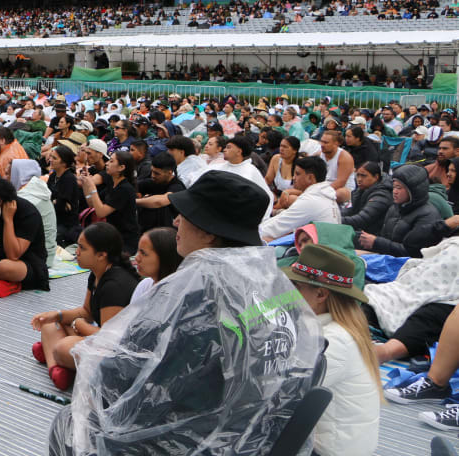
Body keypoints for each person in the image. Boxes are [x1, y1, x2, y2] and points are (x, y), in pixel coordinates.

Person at [49, 170, 319, 456]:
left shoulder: (189, 291)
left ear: (208, 230)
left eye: (184, 215)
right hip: (256, 441)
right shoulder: (275, 283)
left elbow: (117, 378)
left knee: (68, 424)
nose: (176, 221)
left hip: (189, 445)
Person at [284, 244, 381, 456]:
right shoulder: (337, 329)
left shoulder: (333, 341)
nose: (286, 291)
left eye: (295, 286)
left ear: (320, 294)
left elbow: (284, 394)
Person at [30, 224, 140, 390]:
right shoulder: (96, 273)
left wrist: (78, 325)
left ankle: (53, 356)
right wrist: (57, 315)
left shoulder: (114, 286)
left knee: (62, 347)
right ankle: (57, 369)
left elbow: (109, 340)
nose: (77, 252)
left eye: (82, 248)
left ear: (101, 255)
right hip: (99, 337)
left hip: (115, 354)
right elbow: (86, 312)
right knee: (49, 325)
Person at [356, 164, 443, 257]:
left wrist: (376, 242)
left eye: (399, 188)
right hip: (386, 257)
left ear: (413, 190)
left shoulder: (427, 216)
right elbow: (385, 238)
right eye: (394, 187)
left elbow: (413, 252)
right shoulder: (394, 208)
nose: (395, 191)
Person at [259, 156, 341, 241]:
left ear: (310, 178)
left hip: (318, 251)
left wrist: (252, 233)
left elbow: (275, 227)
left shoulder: (311, 200)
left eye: (297, 174)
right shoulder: (324, 196)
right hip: (325, 248)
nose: (293, 178)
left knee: (264, 239)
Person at [79, 150, 140, 254]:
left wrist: (92, 187)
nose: (107, 163)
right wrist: (86, 183)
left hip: (125, 241)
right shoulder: (113, 185)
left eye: (111, 161)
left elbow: (101, 212)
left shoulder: (124, 189)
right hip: (113, 236)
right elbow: (92, 204)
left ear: (121, 167)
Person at [209, 136, 273, 222]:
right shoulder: (217, 168)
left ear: (239, 151)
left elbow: (267, 196)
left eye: (228, 147)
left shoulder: (249, 171)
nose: (224, 150)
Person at [135, 152, 185, 232]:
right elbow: (132, 187)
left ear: (169, 172)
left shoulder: (177, 187)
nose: (152, 175)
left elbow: (160, 202)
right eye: (152, 171)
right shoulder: (153, 181)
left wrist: (134, 201)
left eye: (157, 173)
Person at [131, 226, 183, 302]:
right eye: (138, 251)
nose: (137, 258)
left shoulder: (179, 294)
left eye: (143, 253)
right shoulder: (145, 285)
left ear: (164, 257)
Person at [341, 161, 392, 234]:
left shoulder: (382, 196)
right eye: (357, 175)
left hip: (373, 236)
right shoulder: (361, 189)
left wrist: (335, 219)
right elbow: (350, 210)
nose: (359, 179)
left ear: (376, 177)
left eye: (363, 176)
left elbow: (362, 220)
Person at [46, 145, 82, 247]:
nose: (50, 160)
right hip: (54, 219)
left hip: (66, 224)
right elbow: (46, 196)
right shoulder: (53, 176)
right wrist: (54, 201)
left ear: (64, 163)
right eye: (51, 156)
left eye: (54, 158)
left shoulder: (69, 179)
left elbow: (60, 206)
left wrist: (55, 201)